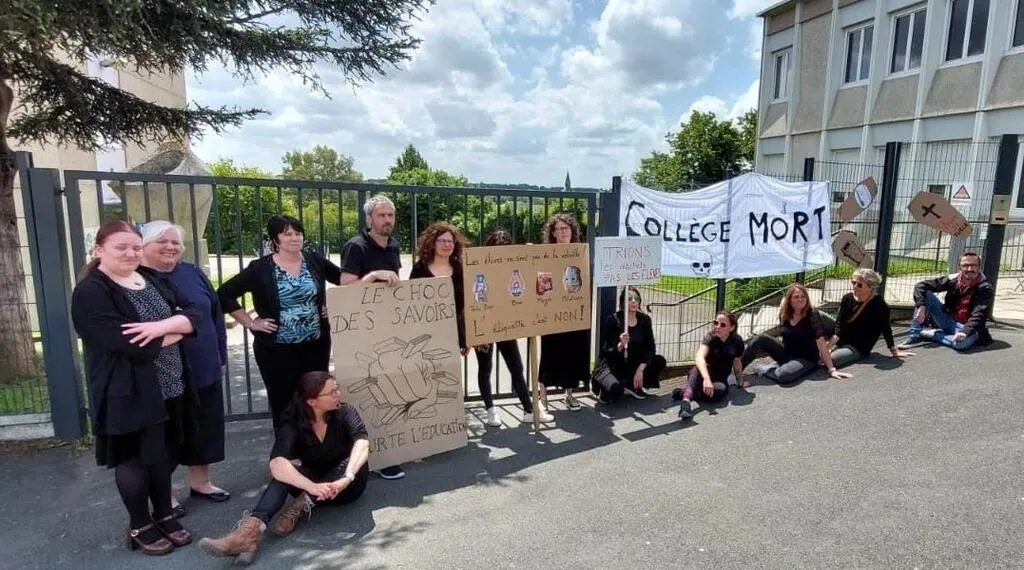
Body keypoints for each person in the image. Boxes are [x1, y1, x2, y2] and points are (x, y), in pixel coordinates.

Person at [71, 220, 200, 555]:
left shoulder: (151, 278)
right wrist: (176, 330)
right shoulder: (91, 292)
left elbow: (195, 314)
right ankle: (140, 524)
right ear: (99, 249)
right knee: (133, 460)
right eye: (121, 247)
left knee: (160, 456)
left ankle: (165, 515)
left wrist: (164, 326)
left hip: (169, 384)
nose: (131, 253)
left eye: (135, 247)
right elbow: (131, 344)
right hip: (126, 391)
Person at [199, 371, 370, 566]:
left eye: (337, 389)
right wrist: (312, 487)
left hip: (346, 486)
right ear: (312, 401)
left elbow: (363, 443)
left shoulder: (345, 412)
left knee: (354, 458)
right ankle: (248, 534)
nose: (338, 394)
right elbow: (276, 463)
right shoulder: (293, 421)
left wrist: (346, 478)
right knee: (283, 471)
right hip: (313, 484)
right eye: (331, 392)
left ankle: (299, 506)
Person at [140, 221, 231, 517]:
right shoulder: (137, 280)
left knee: (203, 426)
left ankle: (201, 482)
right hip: (163, 373)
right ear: (144, 245)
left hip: (203, 365)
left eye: (175, 242)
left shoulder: (192, 273)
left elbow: (215, 314)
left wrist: (220, 354)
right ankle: (165, 494)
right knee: (166, 434)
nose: (170, 247)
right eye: (161, 242)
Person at [217, 215, 342, 430]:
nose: (295, 238)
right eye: (287, 234)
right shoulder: (260, 268)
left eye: (298, 233)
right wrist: (250, 322)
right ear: (276, 239)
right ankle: (288, 454)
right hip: (276, 351)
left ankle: (319, 448)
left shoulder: (315, 260)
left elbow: (345, 281)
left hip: (315, 346)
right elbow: (224, 294)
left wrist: (336, 306)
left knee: (318, 398)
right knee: (284, 403)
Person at [340, 195, 405, 480]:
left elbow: (397, 285)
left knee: (391, 390)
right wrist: (373, 276)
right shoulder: (356, 247)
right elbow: (345, 289)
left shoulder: (393, 245)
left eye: (390, 215)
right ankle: (370, 456)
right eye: (381, 216)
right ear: (369, 219)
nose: (387, 220)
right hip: (362, 332)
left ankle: (391, 450)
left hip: (389, 329)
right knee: (369, 393)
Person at [472, 230, 554, 426]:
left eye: (504, 249)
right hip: (483, 324)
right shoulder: (478, 267)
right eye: (496, 250)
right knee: (485, 368)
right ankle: (491, 410)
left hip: (506, 324)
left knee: (516, 367)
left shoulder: (514, 267)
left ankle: (528, 409)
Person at [740, 283, 852, 383]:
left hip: (805, 359)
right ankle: (736, 373)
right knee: (760, 339)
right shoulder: (784, 314)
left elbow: (821, 344)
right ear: (790, 300)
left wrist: (831, 370)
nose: (800, 299)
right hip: (787, 353)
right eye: (796, 297)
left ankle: (767, 370)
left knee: (784, 375)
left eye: (803, 297)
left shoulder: (812, 315)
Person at [537, 213, 590, 411]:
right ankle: (543, 398)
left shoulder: (580, 252)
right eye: (558, 229)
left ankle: (569, 394)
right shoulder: (547, 253)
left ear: (572, 230)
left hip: (574, 311)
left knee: (572, 353)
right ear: (553, 233)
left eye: (566, 228)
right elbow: (542, 280)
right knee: (550, 352)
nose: (563, 231)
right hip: (552, 311)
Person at [898, 252, 994, 351]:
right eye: (965, 265)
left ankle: (932, 334)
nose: (969, 269)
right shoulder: (953, 280)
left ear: (979, 267)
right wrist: (922, 307)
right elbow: (921, 286)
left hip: (968, 327)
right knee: (924, 293)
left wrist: (965, 332)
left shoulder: (985, 288)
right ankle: (915, 335)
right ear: (960, 267)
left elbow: (979, 314)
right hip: (947, 319)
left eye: (973, 265)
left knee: (960, 344)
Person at [593, 286, 666, 403]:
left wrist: (640, 370)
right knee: (614, 392)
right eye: (629, 298)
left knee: (659, 360)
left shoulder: (645, 320)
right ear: (622, 302)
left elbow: (650, 348)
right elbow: (607, 350)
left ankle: (633, 385)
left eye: (636, 298)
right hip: (614, 364)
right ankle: (604, 388)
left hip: (633, 362)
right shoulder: (613, 320)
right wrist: (620, 344)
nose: (633, 301)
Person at [828, 268, 914, 367]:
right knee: (818, 315)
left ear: (871, 287)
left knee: (830, 360)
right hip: (841, 337)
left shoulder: (878, 304)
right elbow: (839, 323)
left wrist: (894, 350)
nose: (855, 287)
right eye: (853, 282)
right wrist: (829, 346)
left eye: (859, 285)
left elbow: (885, 327)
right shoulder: (847, 298)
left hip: (858, 346)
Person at [409, 222, 470, 356]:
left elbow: (466, 306)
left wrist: (465, 337)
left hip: (453, 332)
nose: (447, 245)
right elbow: (411, 303)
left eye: (450, 241)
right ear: (432, 243)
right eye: (442, 241)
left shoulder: (460, 269)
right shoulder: (420, 269)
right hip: (425, 334)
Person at [675, 310, 744, 420]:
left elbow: (737, 363)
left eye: (723, 324)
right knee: (696, 369)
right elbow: (699, 356)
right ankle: (686, 401)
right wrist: (706, 379)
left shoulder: (737, 341)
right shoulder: (710, 337)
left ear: (731, 328)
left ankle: (687, 391)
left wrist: (740, 380)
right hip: (701, 375)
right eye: (716, 323)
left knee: (718, 394)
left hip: (719, 378)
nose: (717, 327)